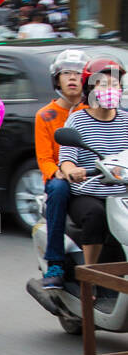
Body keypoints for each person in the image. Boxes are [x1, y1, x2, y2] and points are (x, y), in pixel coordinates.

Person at [58, 58, 128, 267]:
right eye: (103, 84)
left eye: (115, 84)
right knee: (94, 214)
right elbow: (67, 160)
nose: (110, 89)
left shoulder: (126, 120)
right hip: (89, 193)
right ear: (91, 89)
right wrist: (73, 171)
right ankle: (90, 274)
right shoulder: (77, 120)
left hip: (122, 193)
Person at [35, 49, 86, 288]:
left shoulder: (92, 111)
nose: (73, 78)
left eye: (78, 73)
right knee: (57, 188)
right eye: (67, 73)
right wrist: (60, 171)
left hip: (94, 174)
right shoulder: (45, 115)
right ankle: (55, 262)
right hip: (61, 177)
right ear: (57, 79)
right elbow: (44, 158)